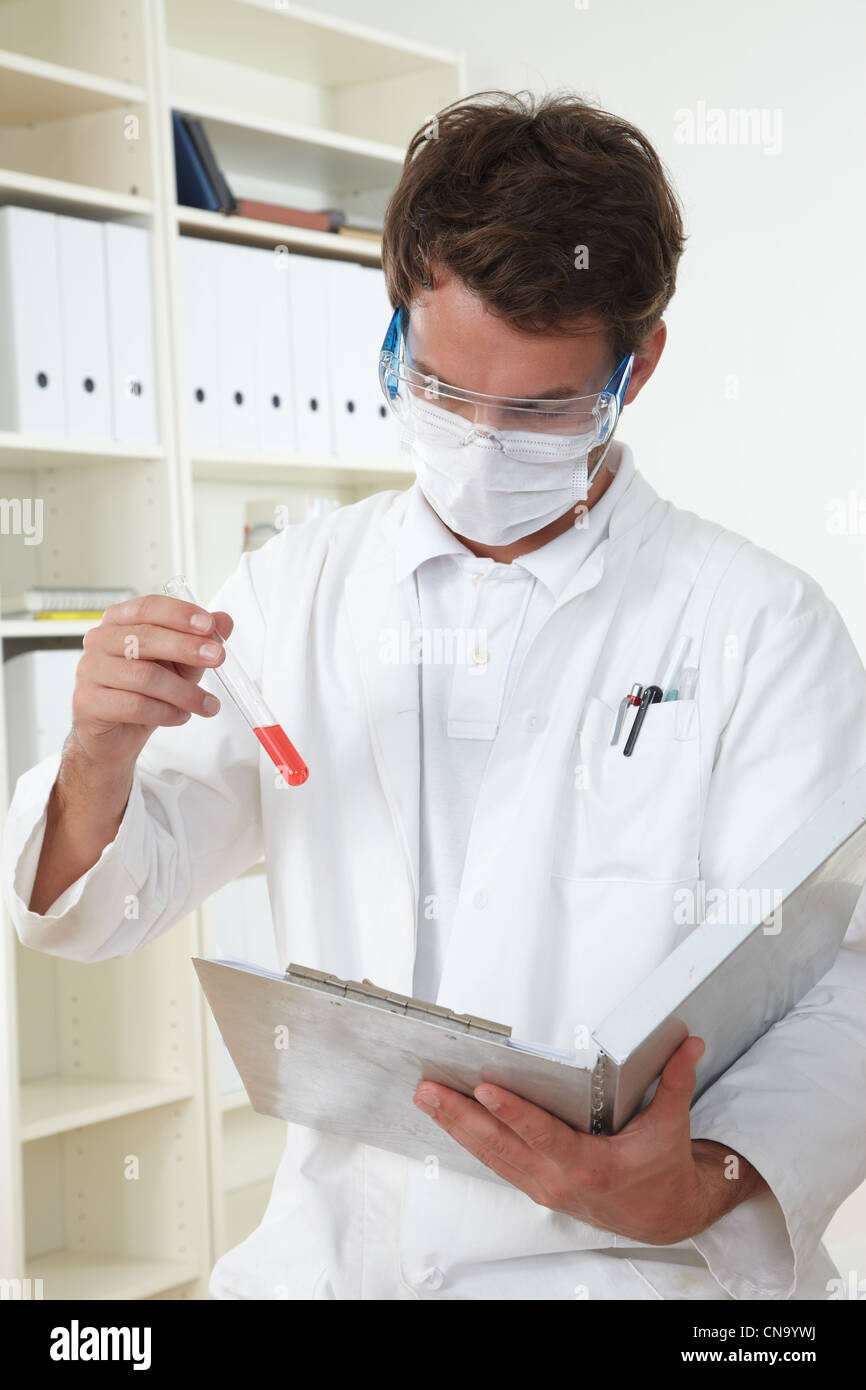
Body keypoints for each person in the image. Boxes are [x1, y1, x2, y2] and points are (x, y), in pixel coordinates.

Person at [5, 91, 866, 1301]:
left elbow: (839, 982)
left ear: (642, 362)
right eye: (438, 388)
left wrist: (706, 1178)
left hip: (631, 1269)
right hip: (330, 1261)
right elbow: (92, 912)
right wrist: (99, 750)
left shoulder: (758, 627)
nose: (475, 442)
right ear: (398, 322)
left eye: (538, 410)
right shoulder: (295, 586)